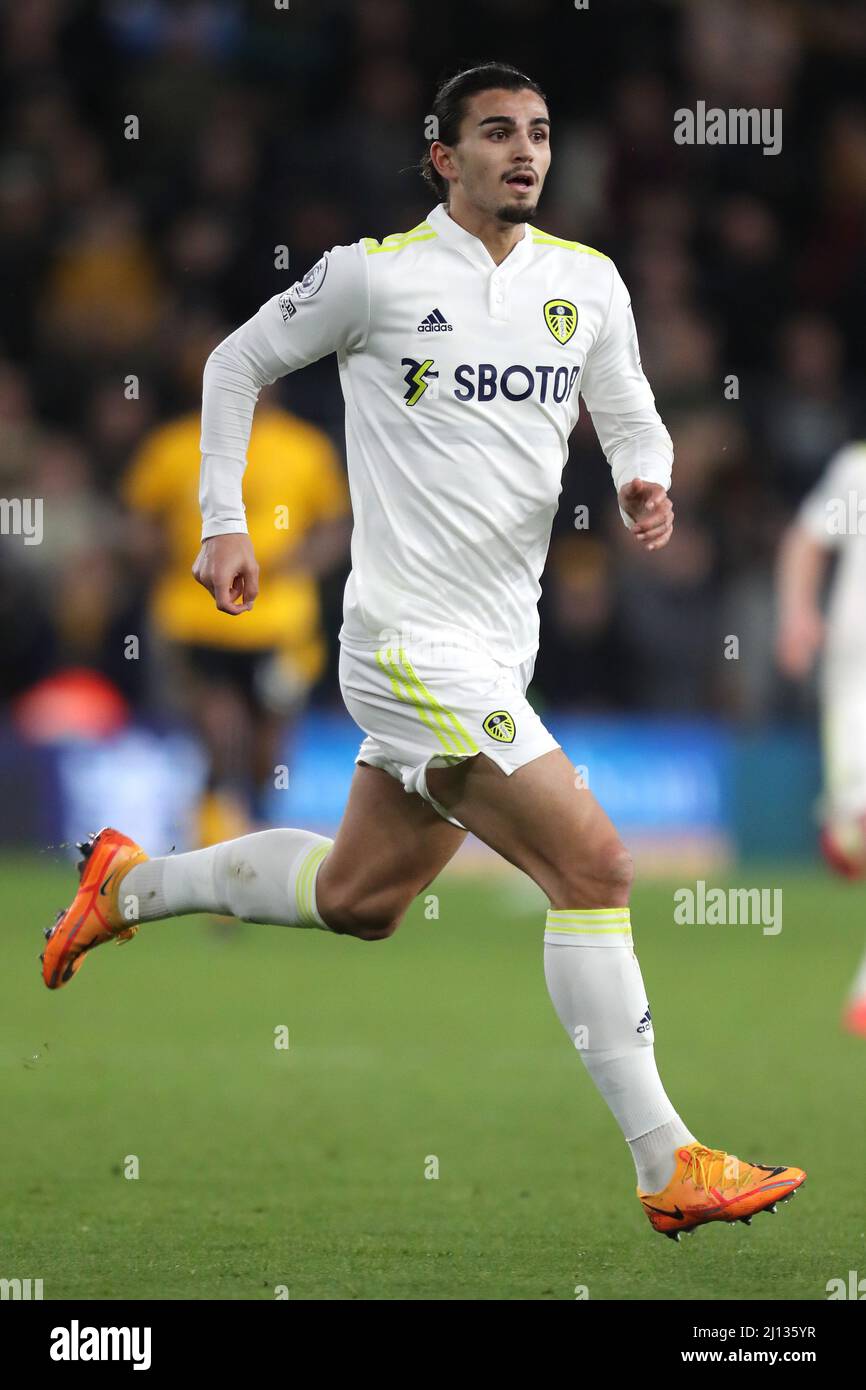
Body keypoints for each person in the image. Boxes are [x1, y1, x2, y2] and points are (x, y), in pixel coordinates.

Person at [42, 63, 804, 1239]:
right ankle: (669, 1162)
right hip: (404, 643)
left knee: (361, 900)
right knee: (594, 868)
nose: (524, 151)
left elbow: (628, 403)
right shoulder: (371, 278)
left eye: (540, 133)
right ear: (442, 157)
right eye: (496, 132)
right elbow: (232, 363)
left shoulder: (585, 284)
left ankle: (129, 886)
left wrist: (644, 473)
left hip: (494, 650)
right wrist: (223, 521)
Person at [123, 393, 350, 844]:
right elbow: (138, 520)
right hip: (196, 622)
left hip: (281, 625)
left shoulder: (303, 447)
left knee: (268, 753)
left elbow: (334, 524)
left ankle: (253, 838)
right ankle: (216, 845)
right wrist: (168, 555)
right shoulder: (174, 445)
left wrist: (297, 562)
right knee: (222, 734)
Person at [775, 439, 866, 1036]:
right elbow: (806, 539)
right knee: (850, 840)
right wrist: (796, 614)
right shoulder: (859, 467)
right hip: (856, 680)